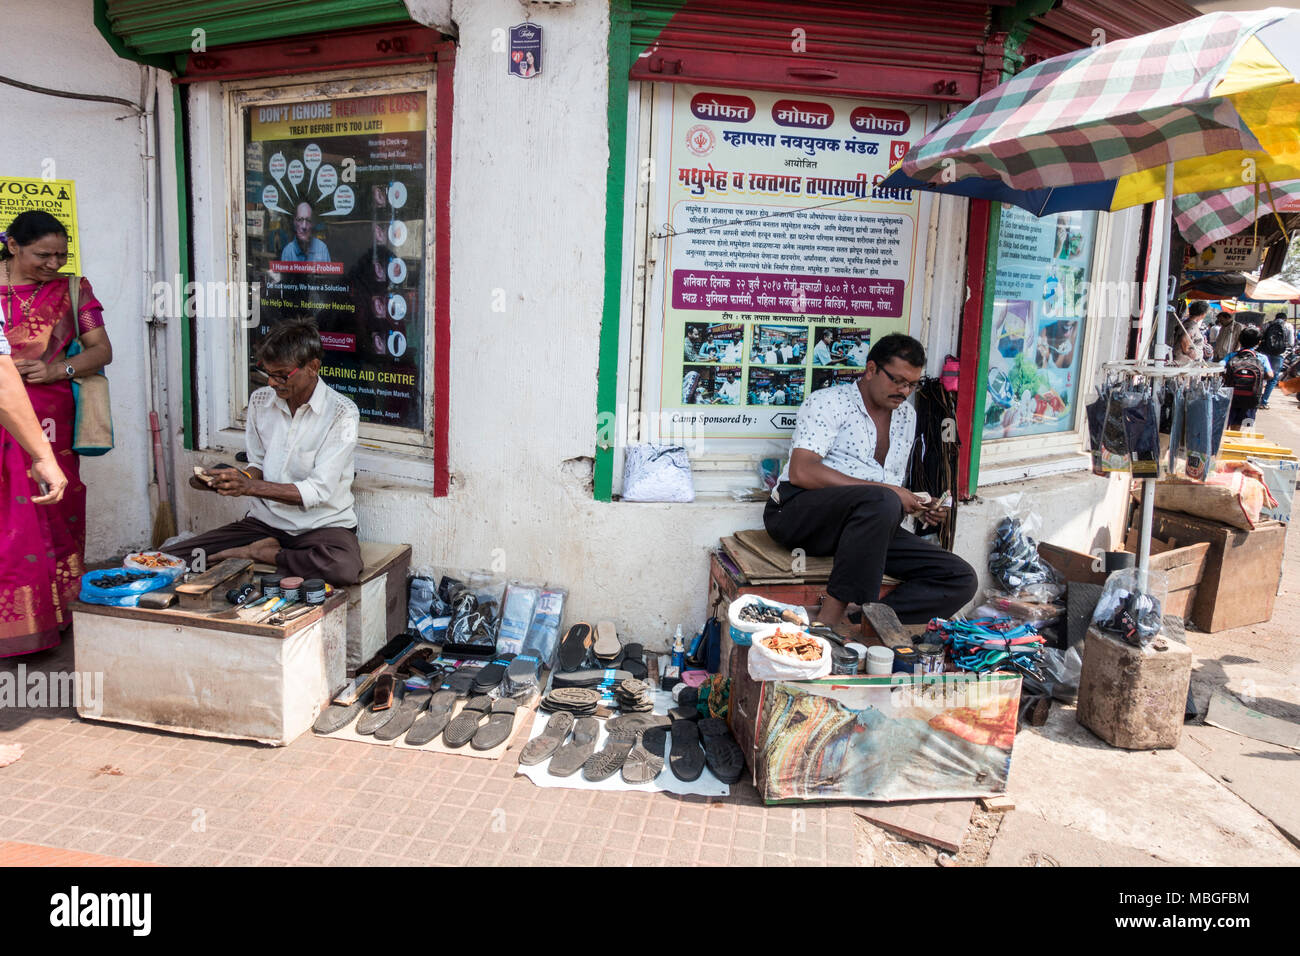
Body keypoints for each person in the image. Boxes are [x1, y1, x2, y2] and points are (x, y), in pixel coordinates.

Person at [764, 333, 977, 634]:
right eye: (897, 381)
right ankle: (829, 617)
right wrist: (890, 493)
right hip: (798, 514)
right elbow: (801, 471)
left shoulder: (907, 416)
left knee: (960, 577)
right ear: (872, 369)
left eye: (912, 385)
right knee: (882, 499)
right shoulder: (829, 402)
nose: (904, 391)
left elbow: (886, 488)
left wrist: (918, 506)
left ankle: (861, 619)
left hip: (865, 527)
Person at [164, 321, 362, 586]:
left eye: (281, 374)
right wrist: (234, 478)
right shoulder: (261, 401)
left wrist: (249, 487)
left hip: (322, 526)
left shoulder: (342, 413)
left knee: (343, 569)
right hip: (264, 524)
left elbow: (317, 492)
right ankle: (268, 550)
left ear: (312, 368)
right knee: (173, 558)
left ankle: (266, 554)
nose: (271, 382)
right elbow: (257, 462)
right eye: (267, 373)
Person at [0, 211, 110, 657]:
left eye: (60, 255)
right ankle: (18, 620)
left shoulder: (72, 289)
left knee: (55, 507)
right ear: (12, 246)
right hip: (6, 410)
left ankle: (57, 612)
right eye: (42, 255)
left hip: (50, 420)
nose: (52, 264)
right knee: (9, 518)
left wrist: (54, 369)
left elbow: (101, 350)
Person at [1223, 326, 1271, 429]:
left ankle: (1227, 440)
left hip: (1232, 396)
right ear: (1258, 342)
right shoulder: (1261, 358)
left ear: (1239, 340)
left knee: (1227, 423)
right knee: (1246, 427)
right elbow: (1270, 375)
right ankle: (1239, 439)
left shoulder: (1232, 356)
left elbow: (1219, 367)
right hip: (1251, 400)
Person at [1259, 310, 1294, 408]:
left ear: (1275, 317)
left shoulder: (1266, 325)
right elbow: (1291, 343)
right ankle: (1264, 402)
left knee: (1261, 376)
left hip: (1264, 354)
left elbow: (1260, 338)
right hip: (1279, 355)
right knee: (1273, 379)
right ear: (1285, 319)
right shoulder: (1289, 326)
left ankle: (1256, 399)